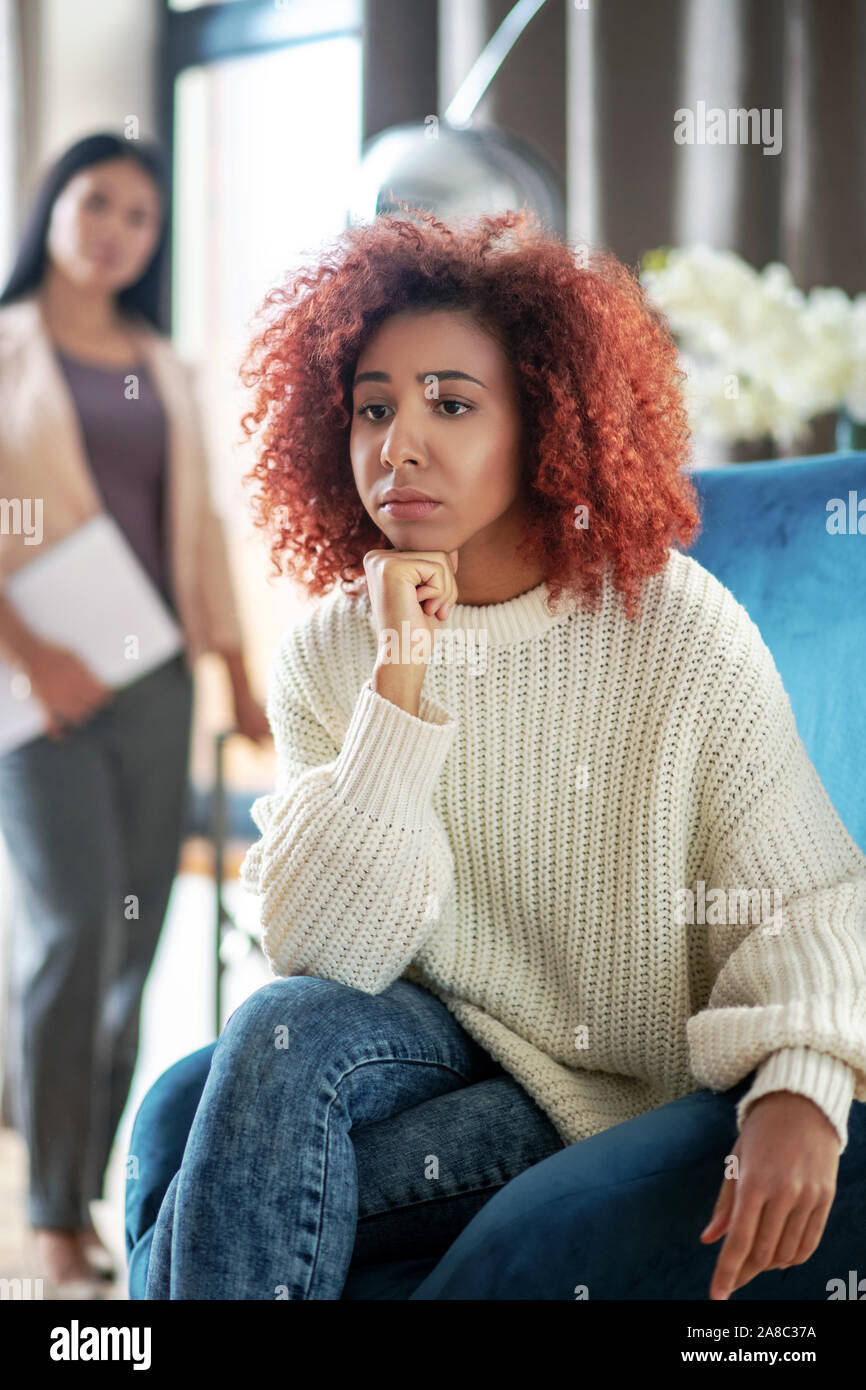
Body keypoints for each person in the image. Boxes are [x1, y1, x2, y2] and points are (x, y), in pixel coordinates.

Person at [142, 206, 866, 1301]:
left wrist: (800, 1083)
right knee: (276, 1028)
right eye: (371, 408)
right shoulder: (333, 649)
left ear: (544, 420)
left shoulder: (670, 628)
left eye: (450, 403)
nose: (400, 443)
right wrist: (399, 676)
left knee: (208, 1193)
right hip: (424, 1038)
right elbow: (328, 950)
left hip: (611, 1083)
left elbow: (812, 897)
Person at [0, 132, 270, 1296]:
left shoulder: (161, 364)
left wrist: (237, 666)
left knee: (134, 943)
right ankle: (52, 1213)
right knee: (75, 930)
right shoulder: (6, 348)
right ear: (53, 207)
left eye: (138, 216)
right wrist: (38, 656)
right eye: (94, 200)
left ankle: (89, 1180)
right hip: (33, 687)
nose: (113, 226)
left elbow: (196, 530)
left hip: (153, 675)